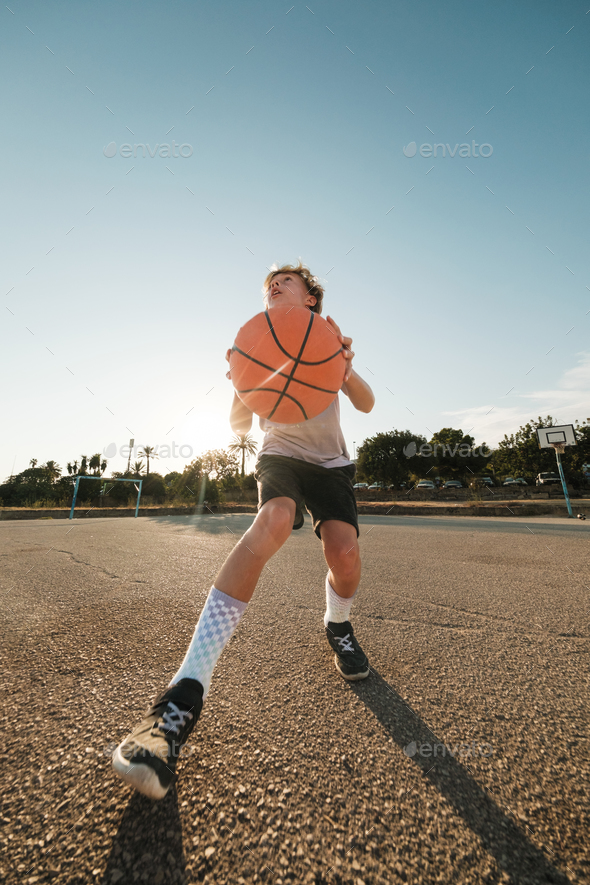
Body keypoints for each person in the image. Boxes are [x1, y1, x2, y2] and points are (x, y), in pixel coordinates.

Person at [112, 262, 375, 800]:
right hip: (280, 453)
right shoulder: (261, 344)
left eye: (286, 282)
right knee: (273, 519)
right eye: (267, 286)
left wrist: (345, 369)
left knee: (345, 556)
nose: (274, 286)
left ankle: (338, 624)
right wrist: (242, 384)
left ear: (310, 298)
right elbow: (238, 427)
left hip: (331, 464)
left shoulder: (330, 344)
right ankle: (178, 702)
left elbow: (367, 403)